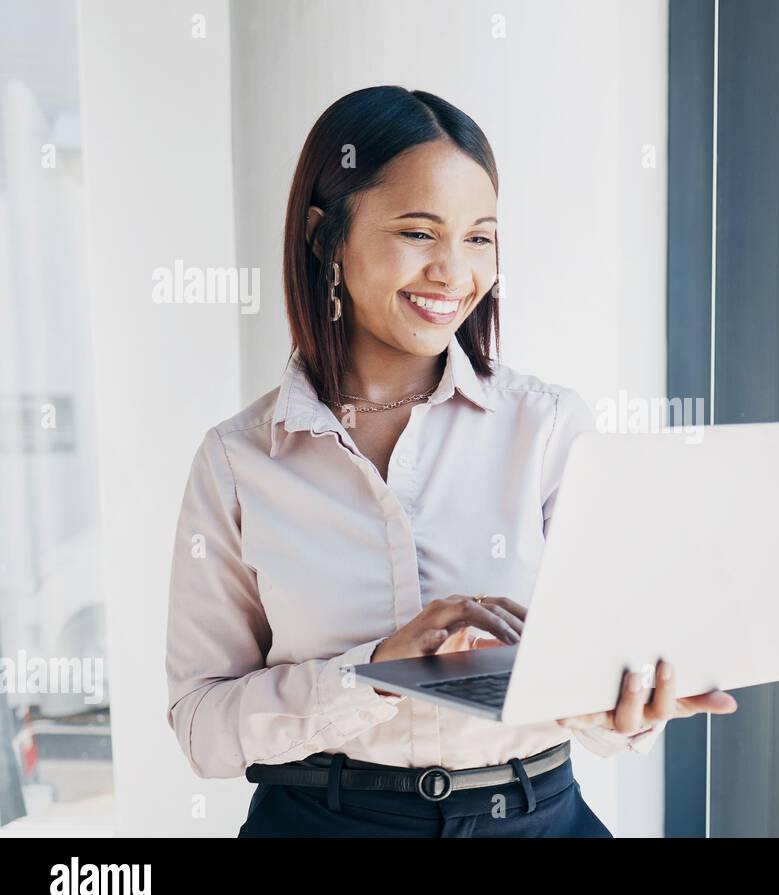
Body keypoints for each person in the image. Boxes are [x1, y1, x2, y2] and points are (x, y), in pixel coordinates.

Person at [164, 86, 737, 837]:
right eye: (418, 232)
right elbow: (203, 725)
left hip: (537, 816)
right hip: (321, 820)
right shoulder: (238, 461)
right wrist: (373, 671)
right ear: (323, 236)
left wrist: (622, 705)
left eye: (479, 238)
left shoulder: (547, 428)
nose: (454, 272)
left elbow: (605, 692)